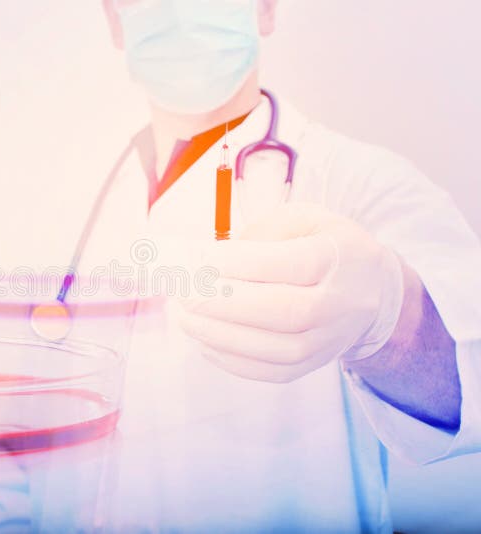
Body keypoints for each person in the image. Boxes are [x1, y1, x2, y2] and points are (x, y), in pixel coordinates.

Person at [80, 0, 481, 530]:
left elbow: (470, 371)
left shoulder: (358, 181)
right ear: (115, 21)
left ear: (265, 9)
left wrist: (391, 316)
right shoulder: (80, 200)